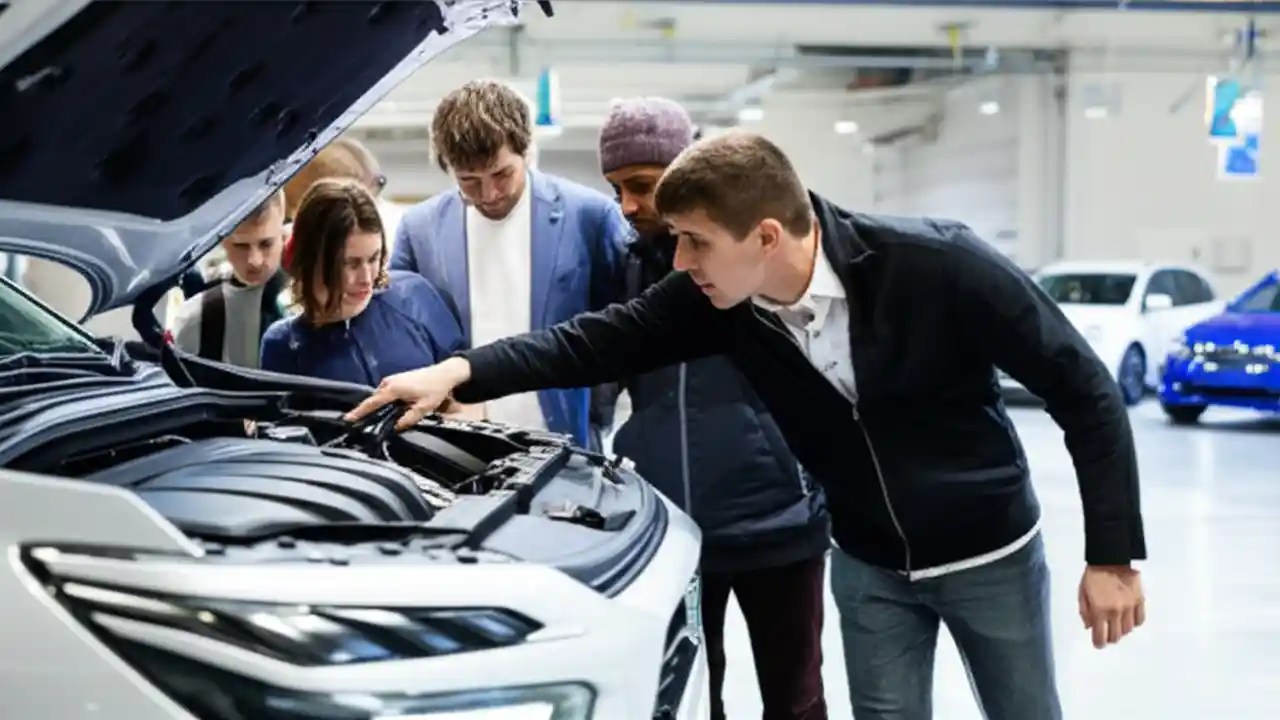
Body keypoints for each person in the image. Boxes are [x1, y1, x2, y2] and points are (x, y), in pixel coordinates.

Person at [347, 130, 1149, 720]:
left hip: (991, 553)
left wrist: (1112, 554)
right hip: (869, 567)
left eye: (696, 241)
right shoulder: (720, 302)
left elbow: (1084, 390)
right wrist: (460, 369)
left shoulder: (939, 266)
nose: (681, 259)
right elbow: (598, 338)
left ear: (766, 236)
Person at [598, 98, 829, 720]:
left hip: (778, 522)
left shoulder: (758, 261)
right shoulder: (626, 267)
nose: (628, 205)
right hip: (677, 533)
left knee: (797, 696)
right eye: (616, 188)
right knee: (695, 695)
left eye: (643, 187)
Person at [390, 79, 630, 449]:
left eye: (502, 174)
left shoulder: (591, 216)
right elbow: (405, 337)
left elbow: (621, 325)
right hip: (458, 439)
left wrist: (597, 415)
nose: (488, 194)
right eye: (468, 180)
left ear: (527, 151)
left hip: (566, 437)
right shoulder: (419, 230)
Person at [260, 179, 464, 388]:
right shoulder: (284, 344)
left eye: (373, 258)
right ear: (312, 259)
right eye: (351, 263)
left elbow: (469, 384)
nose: (367, 278)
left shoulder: (413, 296)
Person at [169, 189, 288, 368]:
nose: (254, 261)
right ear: (222, 239)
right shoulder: (195, 317)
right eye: (240, 246)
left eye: (266, 244)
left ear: (283, 234)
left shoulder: (321, 296)